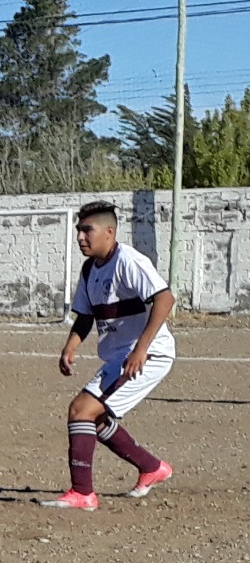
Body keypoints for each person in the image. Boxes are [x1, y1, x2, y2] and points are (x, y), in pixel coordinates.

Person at [40, 201, 175, 510]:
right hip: (121, 355)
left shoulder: (129, 260)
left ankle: (83, 493)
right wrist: (71, 345)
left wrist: (141, 349)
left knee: (80, 410)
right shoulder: (90, 269)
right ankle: (152, 468)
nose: (80, 237)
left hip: (148, 354)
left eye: (87, 230)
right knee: (95, 419)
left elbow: (165, 299)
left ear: (109, 232)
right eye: (79, 231)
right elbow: (86, 316)